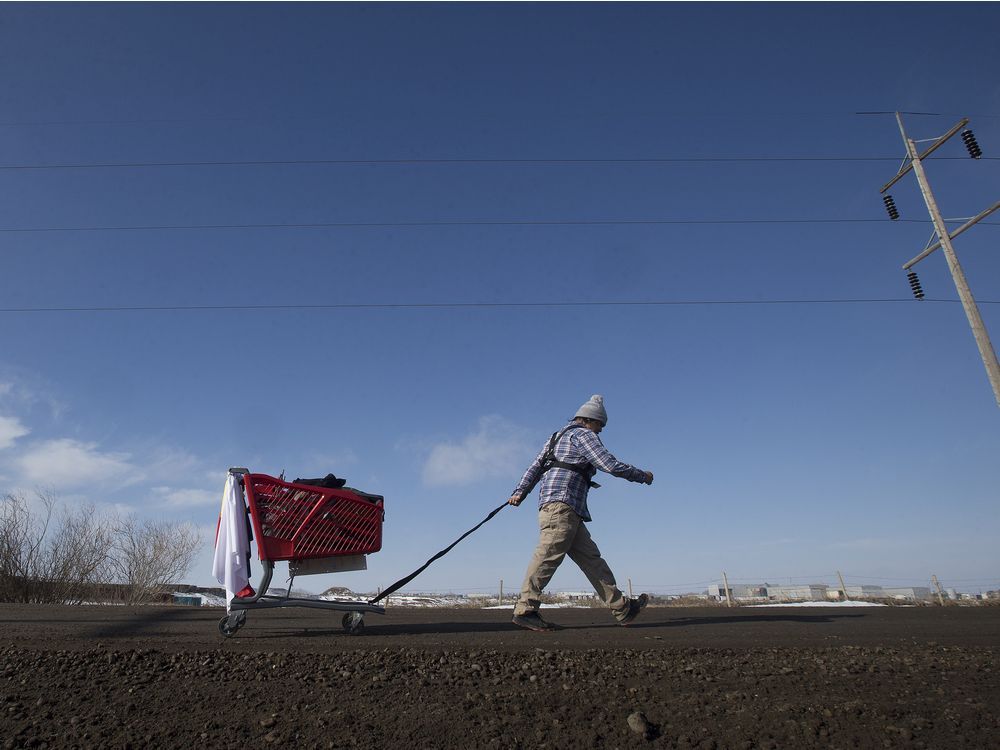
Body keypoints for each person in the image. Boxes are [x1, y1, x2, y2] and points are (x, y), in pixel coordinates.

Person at [508, 394, 654, 631]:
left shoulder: (556, 437)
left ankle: (622, 608)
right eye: (600, 426)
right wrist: (642, 476)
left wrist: (520, 492)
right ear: (590, 420)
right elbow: (609, 464)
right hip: (562, 507)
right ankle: (526, 609)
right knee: (547, 556)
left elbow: (535, 466)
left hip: (565, 509)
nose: (600, 432)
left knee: (591, 560)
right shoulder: (584, 435)